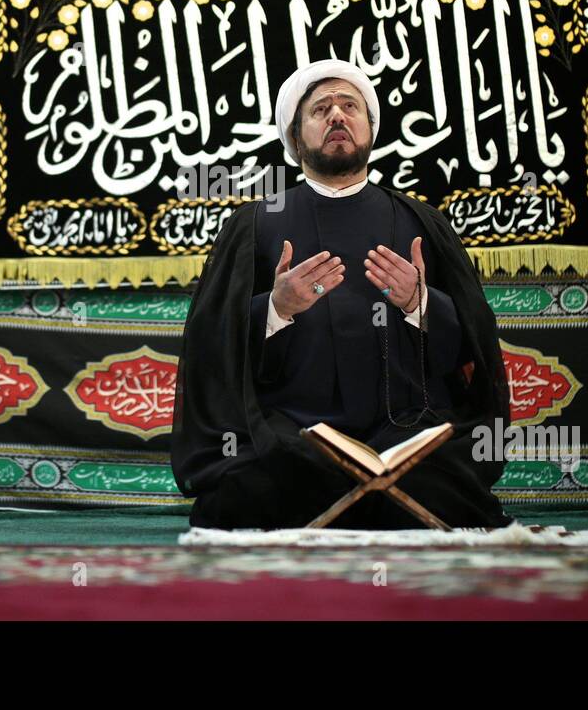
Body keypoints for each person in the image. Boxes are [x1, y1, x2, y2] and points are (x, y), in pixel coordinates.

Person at [171, 58, 513, 530]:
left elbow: (473, 347)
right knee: (248, 484)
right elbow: (212, 346)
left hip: (406, 428)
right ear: (295, 139)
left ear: (370, 129)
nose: (337, 116)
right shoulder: (254, 224)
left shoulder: (423, 221)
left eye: (349, 106)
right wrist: (276, 308)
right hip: (294, 433)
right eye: (320, 109)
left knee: (444, 482)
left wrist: (420, 304)